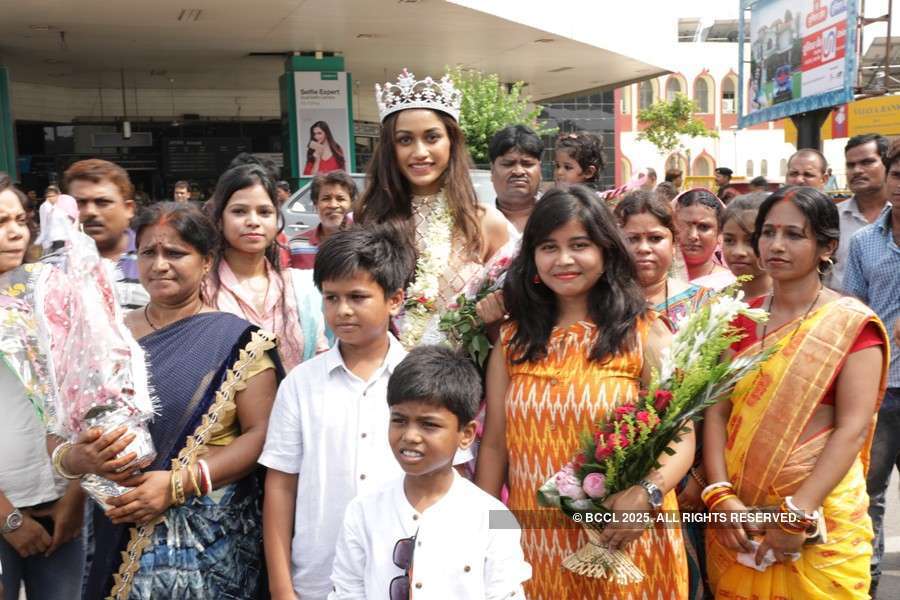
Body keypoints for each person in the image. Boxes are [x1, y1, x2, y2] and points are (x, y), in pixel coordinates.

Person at [475, 186, 690, 599]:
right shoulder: (513, 340)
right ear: (533, 258)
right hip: (535, 542)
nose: (564, 260)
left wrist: (647, 493)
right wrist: (485, 527)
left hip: (622, 536)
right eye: (548, 247)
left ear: (606, 252)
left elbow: (679, 433)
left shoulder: (644, 332)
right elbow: (496, 443)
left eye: (580, 245)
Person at [70, 202, 280, 599]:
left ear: (206, 262)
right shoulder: (107, 337)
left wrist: (178, 484)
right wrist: (77, 459)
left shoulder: (237, 341)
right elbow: (64, 431)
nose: (160, 264)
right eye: (148, 252)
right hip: (117, 523)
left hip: (210, 545)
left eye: (176, 253)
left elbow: (261, 434)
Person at [703, 186, 888, 599]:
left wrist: (797, 513)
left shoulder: (852, 326)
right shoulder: (738, 320)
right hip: (740, 517)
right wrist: (719, 494)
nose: (775, 245)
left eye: (794, 235)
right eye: (768, 233)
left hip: (821, 518)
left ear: (827, 247)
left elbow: (852, 430)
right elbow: (716, 411)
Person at [260, 227, 414, 600]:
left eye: (358, 297)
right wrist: (282, 586)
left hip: (406, 576)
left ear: (395, 299)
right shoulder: (301, 384)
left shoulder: (422, 378)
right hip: (318, 578)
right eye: (331, 297)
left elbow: (449, 481)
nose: (342, 310)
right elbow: (280, 487)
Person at [329, 345, 531, 599]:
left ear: (466, 434)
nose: (410, 436)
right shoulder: (363, 511)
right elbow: (347, 593)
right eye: (399, 420)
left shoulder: (493, 518)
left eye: (429, 425)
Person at [358, 69, 511, 349]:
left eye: (431, 137)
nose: (419, 152)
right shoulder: (367, 220)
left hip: (465, 378)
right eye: (405, 140)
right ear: (390, 149)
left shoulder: (484, 222)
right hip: (384, 378)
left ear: (451, 142)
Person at [0, 175, 85, 600]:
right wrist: (7, 519)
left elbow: (82, 397)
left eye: (20, 219)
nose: (14, 231)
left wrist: (75, 495)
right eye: (0, 221)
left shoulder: (52, 290)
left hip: (59, 501)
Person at [842, 138, 900, 598]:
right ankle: (870, 580)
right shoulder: (863, 242)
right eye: (899, 175)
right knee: (869, 492)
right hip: (881, 388)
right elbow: (855, 313)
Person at [205, 163, 327, 372]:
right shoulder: (201, 289)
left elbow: (320, 358)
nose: (253, 221)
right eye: (239, 211)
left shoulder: (301, 287)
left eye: (264, 212)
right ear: (220, 219)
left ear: (276, 219)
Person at [615, 190, 711, 329]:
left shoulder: (701, 303)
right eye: (632, 239)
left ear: (673, 244)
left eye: (655, 238)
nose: (644, 248)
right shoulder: (600, 305)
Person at [65, 158, 149, 310]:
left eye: (102, 202)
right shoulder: (54, 267)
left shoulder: (157, 258)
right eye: (80, 203)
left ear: (128, 209)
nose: (90, 211)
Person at [829, 134, 890, 290]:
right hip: (842, 310)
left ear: (887, 165)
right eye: (850, 165)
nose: (856, 170)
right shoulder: (832, 216)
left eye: (867, 162)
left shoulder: (896, 213)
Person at [289, 170, 356, 270]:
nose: (333, 205)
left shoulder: (364, 244)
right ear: (316, 205)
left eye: (340, 199)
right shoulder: (297, 246)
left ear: (351, 204)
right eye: (326, 198)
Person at [673, 188, 737, 290]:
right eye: (684, 226)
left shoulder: (730, 285)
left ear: (719, 231)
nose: (693, 236)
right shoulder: (655, 281)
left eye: (704, 227)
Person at [489, 124, 542, 233]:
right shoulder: (475, 221)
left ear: (540, 169)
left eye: (527, 164)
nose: (518, 172)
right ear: (492, 170)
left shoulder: (558, 216)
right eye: (508, 164)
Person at [721, 192, 773, 300]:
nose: (738, 252)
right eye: (729, 240)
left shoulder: (789, 306)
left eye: (751, 241)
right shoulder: (716, 302)